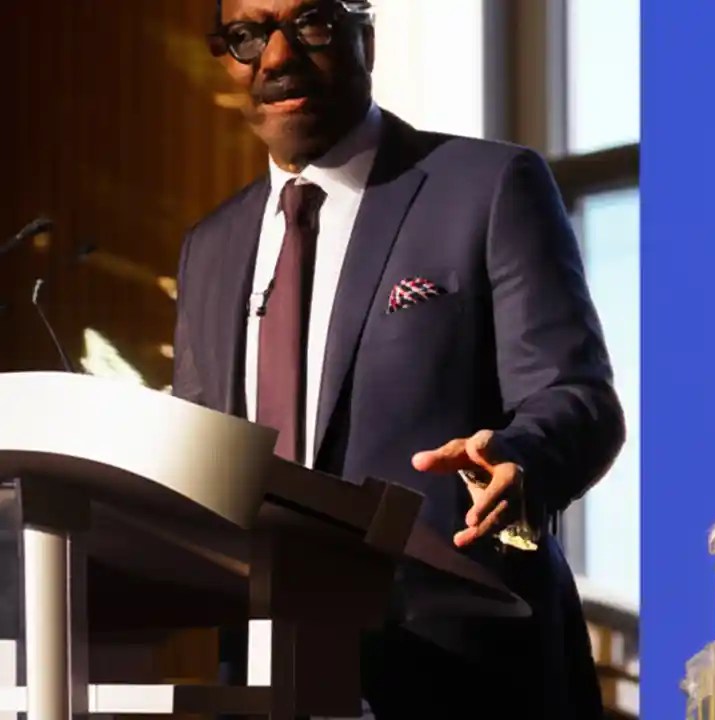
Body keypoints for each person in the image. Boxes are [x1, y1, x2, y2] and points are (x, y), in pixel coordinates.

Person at [170, 0, 625, 716]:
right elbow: (196, 465)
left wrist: (520, 458)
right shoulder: (209, 247)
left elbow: (577, 397)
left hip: (464, 673)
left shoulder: (488, 187)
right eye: (248, 36)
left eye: (310, 23)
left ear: (366, 36)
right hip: (270, 673)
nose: (278, 58)